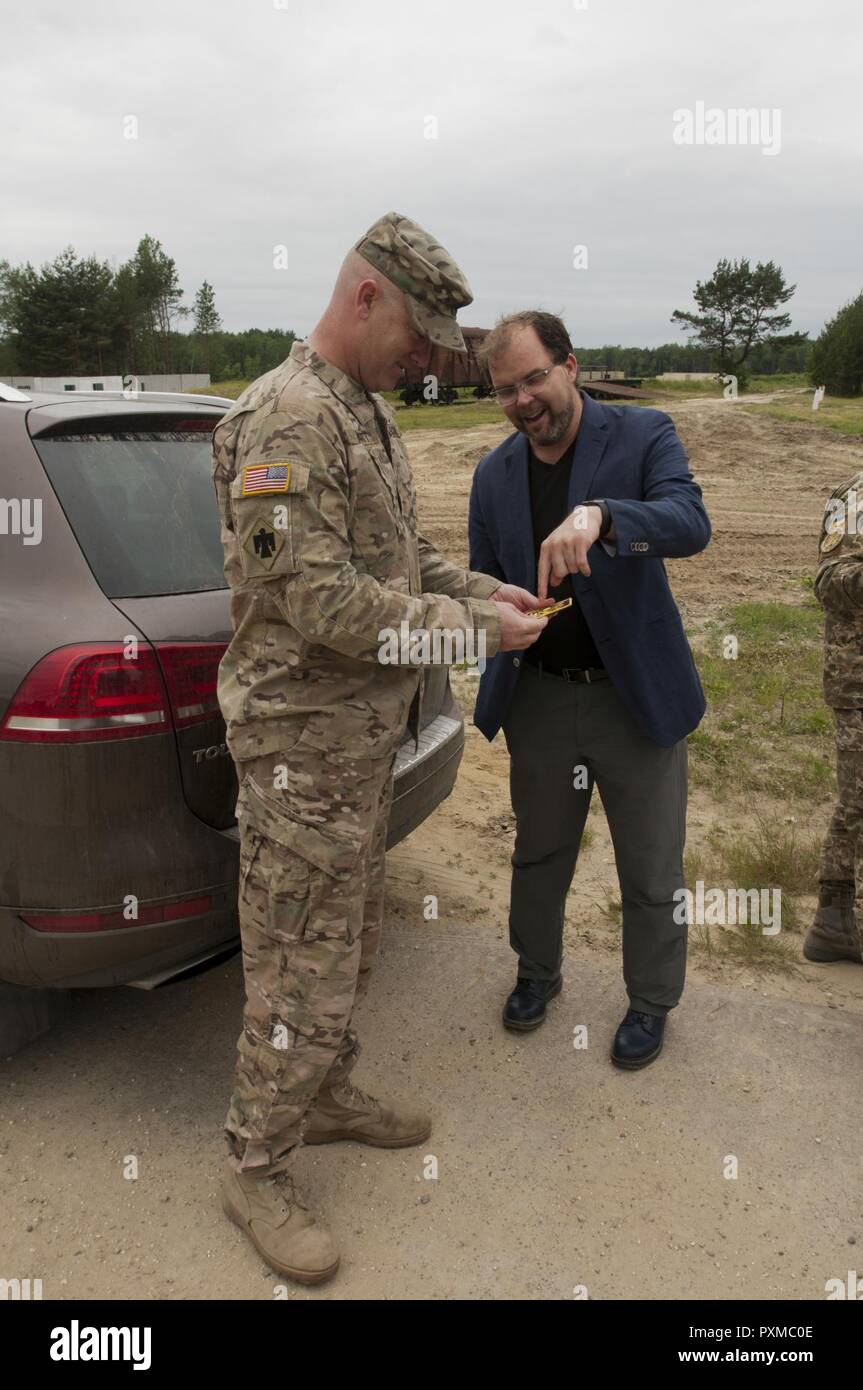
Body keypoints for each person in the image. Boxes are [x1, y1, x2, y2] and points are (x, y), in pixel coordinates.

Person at [211, 214, 545, 1285]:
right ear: (364, 296)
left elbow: (399, 558)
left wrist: (473, 588)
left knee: (347, 946)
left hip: (358, 753)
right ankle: (254, 1166)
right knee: (290, 969)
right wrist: (471, 633)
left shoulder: (361, 411)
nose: (427, 354)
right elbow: (317, 602)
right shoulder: (286, 417)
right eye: (417, 329)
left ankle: (327, 1091)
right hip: (299, 759)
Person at [468, 310, 711, 1067]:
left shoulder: (642, 435)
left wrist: (605, 517)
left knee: (649, 864)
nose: (522, 400)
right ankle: (536, 973)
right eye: (505, 389)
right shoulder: (492, 472)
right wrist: (492, 605)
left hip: (630, 696)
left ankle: (650, 1002)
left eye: (534, 378)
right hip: (538, 697)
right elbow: (479, 574)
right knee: (538, 854)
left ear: (570, 366)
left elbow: (689, 520)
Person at [804, 471, 863, 965]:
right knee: (859, 801)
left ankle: (836, 919)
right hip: (858, 682)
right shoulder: (853, 497)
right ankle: (836, 919)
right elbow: (830, 583)